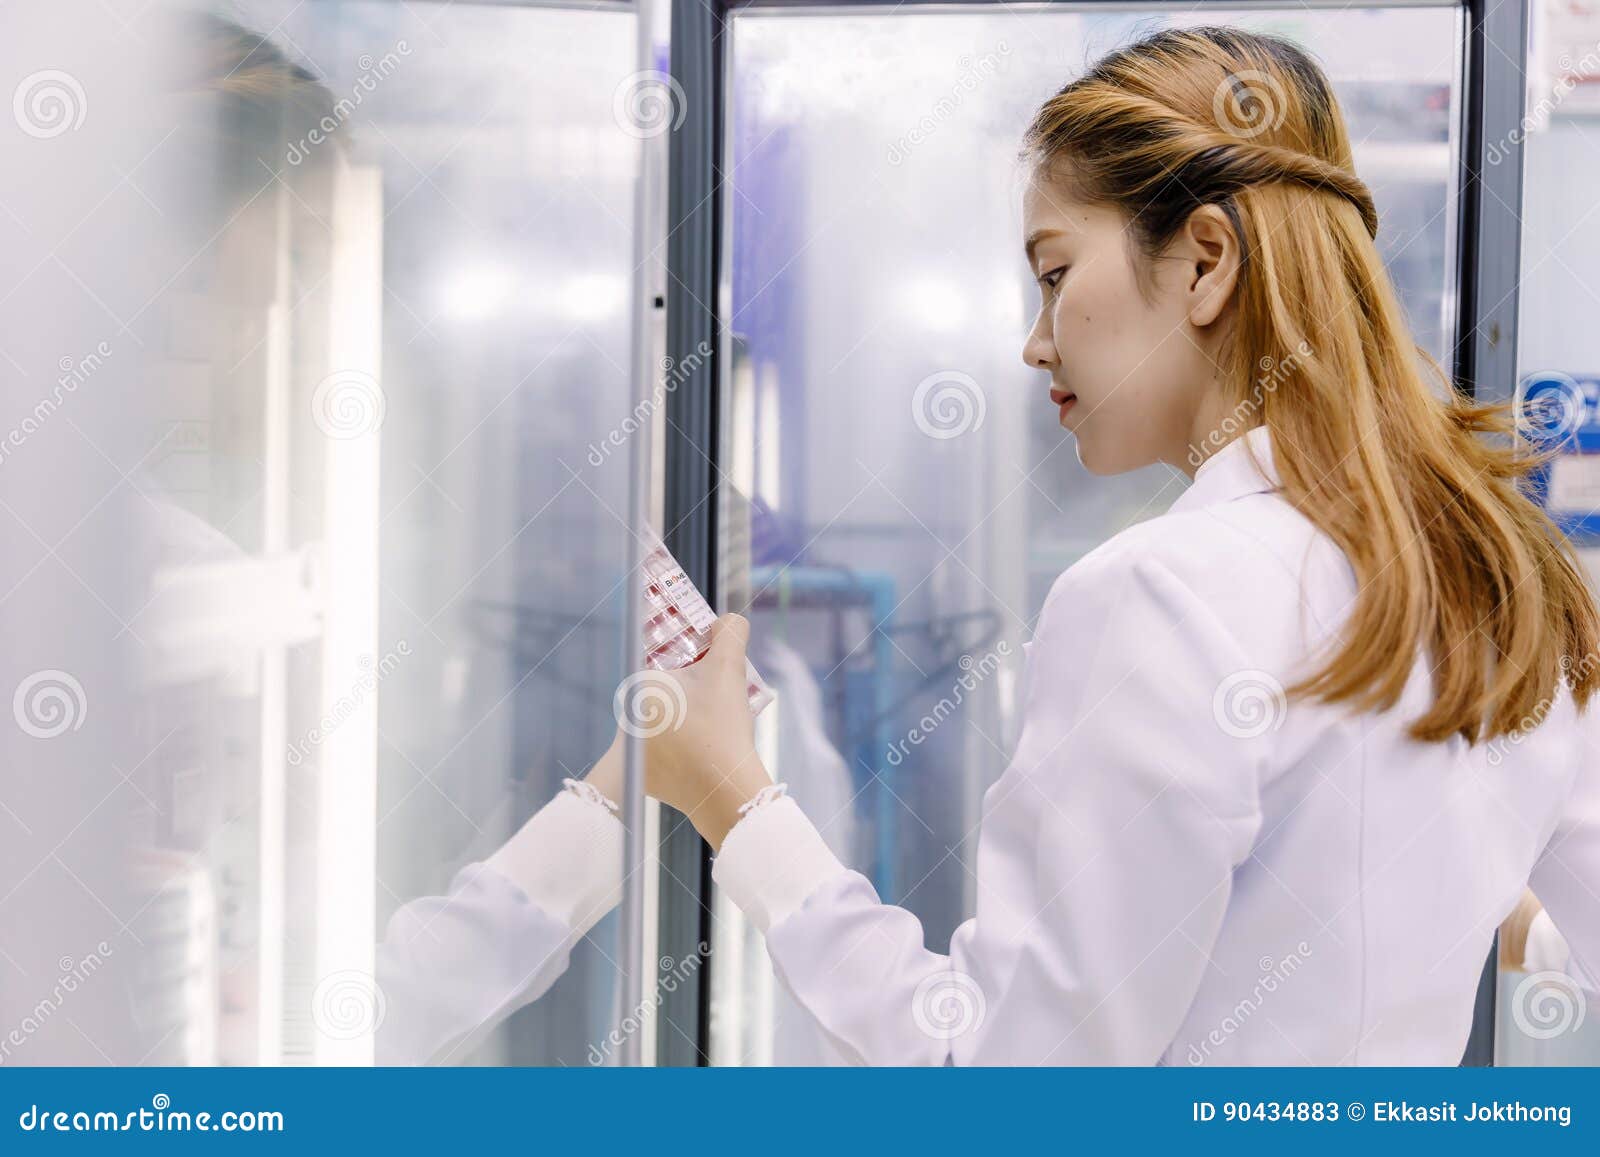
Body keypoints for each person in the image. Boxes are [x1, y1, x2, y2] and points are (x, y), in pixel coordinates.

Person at [592, 25, 1600, 1064]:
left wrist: (733, 797)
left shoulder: (1160, 592)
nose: (1035, 341)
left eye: (1053, 270)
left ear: (1205, 260)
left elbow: (999, 1078)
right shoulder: (1509, 584)